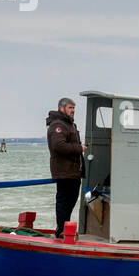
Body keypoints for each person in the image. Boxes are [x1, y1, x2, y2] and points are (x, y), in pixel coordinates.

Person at [46, 97, 86, 237]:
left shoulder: (70, 125)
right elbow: (59, 146)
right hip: (64, 171)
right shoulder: (58, 125)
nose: (73, 110)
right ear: (62, 108)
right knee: (63, 201)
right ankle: (61, 230)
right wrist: (79, 148)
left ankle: (65, 229)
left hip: (73, 172)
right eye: (70, 107)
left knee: (71, 201)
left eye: (74, 108)